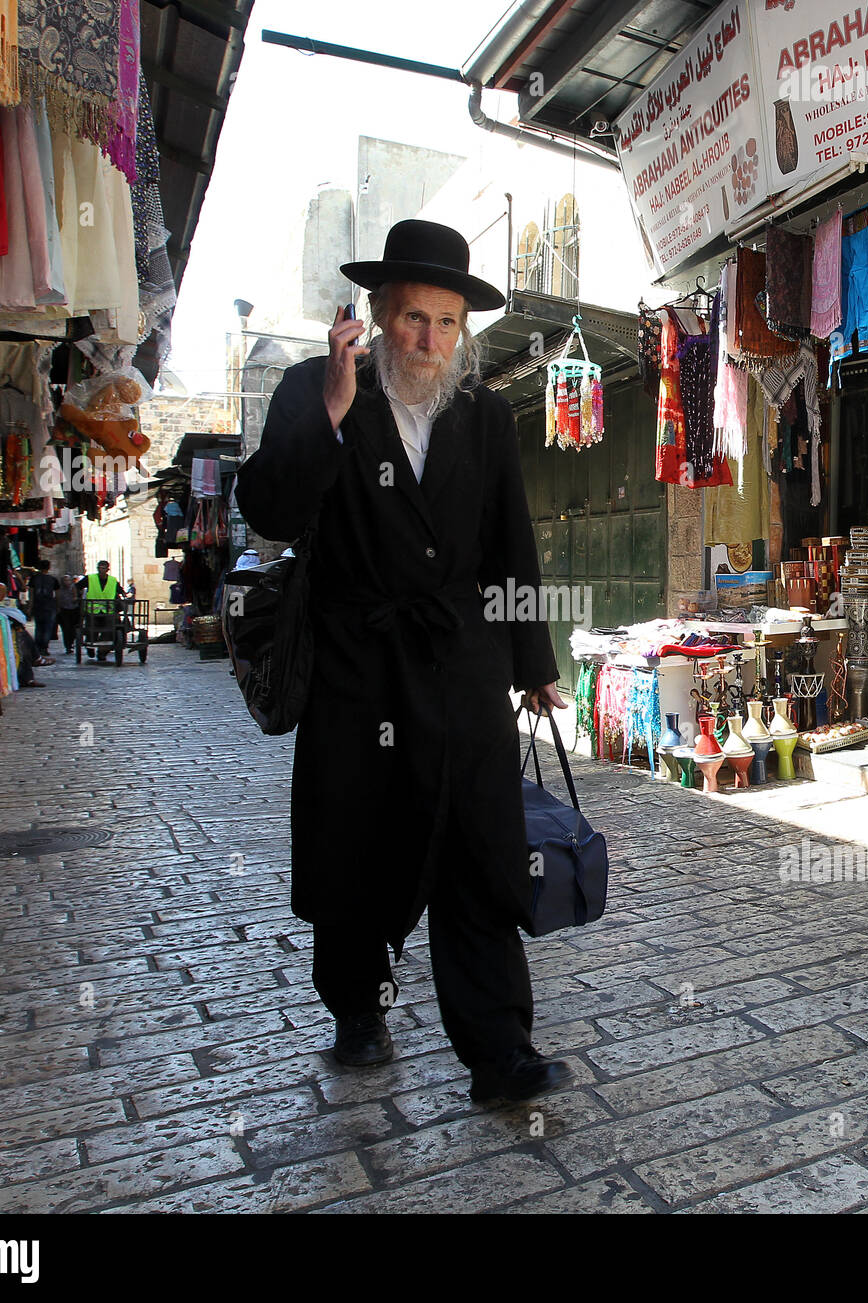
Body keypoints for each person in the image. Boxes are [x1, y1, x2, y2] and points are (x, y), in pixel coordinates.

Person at [235, 219, 573, 1104]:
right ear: (380, 314)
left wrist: (534, 659)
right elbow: (269, 508)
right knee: (359, 847)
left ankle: (500, 1052)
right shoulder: (320, 387)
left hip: (462, 667)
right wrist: (331, 417)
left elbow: (511, 544)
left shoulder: (487, 414)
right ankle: (358, 1007)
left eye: (447, 323)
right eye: (414, 319)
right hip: (359, 667)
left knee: (480, 856)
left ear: (464, 331)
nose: (429, 340)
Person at [77, 560, 122, 660]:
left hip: (108, 610)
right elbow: (77, 586)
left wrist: (124, 595)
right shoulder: (90, 578)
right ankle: (90, 645)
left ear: (107, 569)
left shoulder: (112, 580)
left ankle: (102, 651)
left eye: (103, 568)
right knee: (91, 628)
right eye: (99, 568)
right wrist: (77, 596)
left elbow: (120, 590)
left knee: (110, 629)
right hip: (93, 609)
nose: (101, 570)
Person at [28, 560, 59, 663]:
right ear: (49, 568)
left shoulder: (34, 578)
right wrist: (57, 606)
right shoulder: (52, 579)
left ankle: (38, 647)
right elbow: (56, 595)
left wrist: (30, 607)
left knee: (39, 627)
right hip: (49, 606)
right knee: (47, 628)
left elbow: (31, 594)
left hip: (38, 605)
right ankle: (44, 648)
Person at [56, 570, 81, 654]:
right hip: (64, 610)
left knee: (73, 628)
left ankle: (72, 642)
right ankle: (68, 645)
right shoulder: (59, 589)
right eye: (65, 580)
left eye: (68, 580)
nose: (67, 582)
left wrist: (75, 599)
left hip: (73, 609)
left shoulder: (73, 587)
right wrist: (58, 608)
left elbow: (75, 596)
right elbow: (57, 599)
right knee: (66, 628)